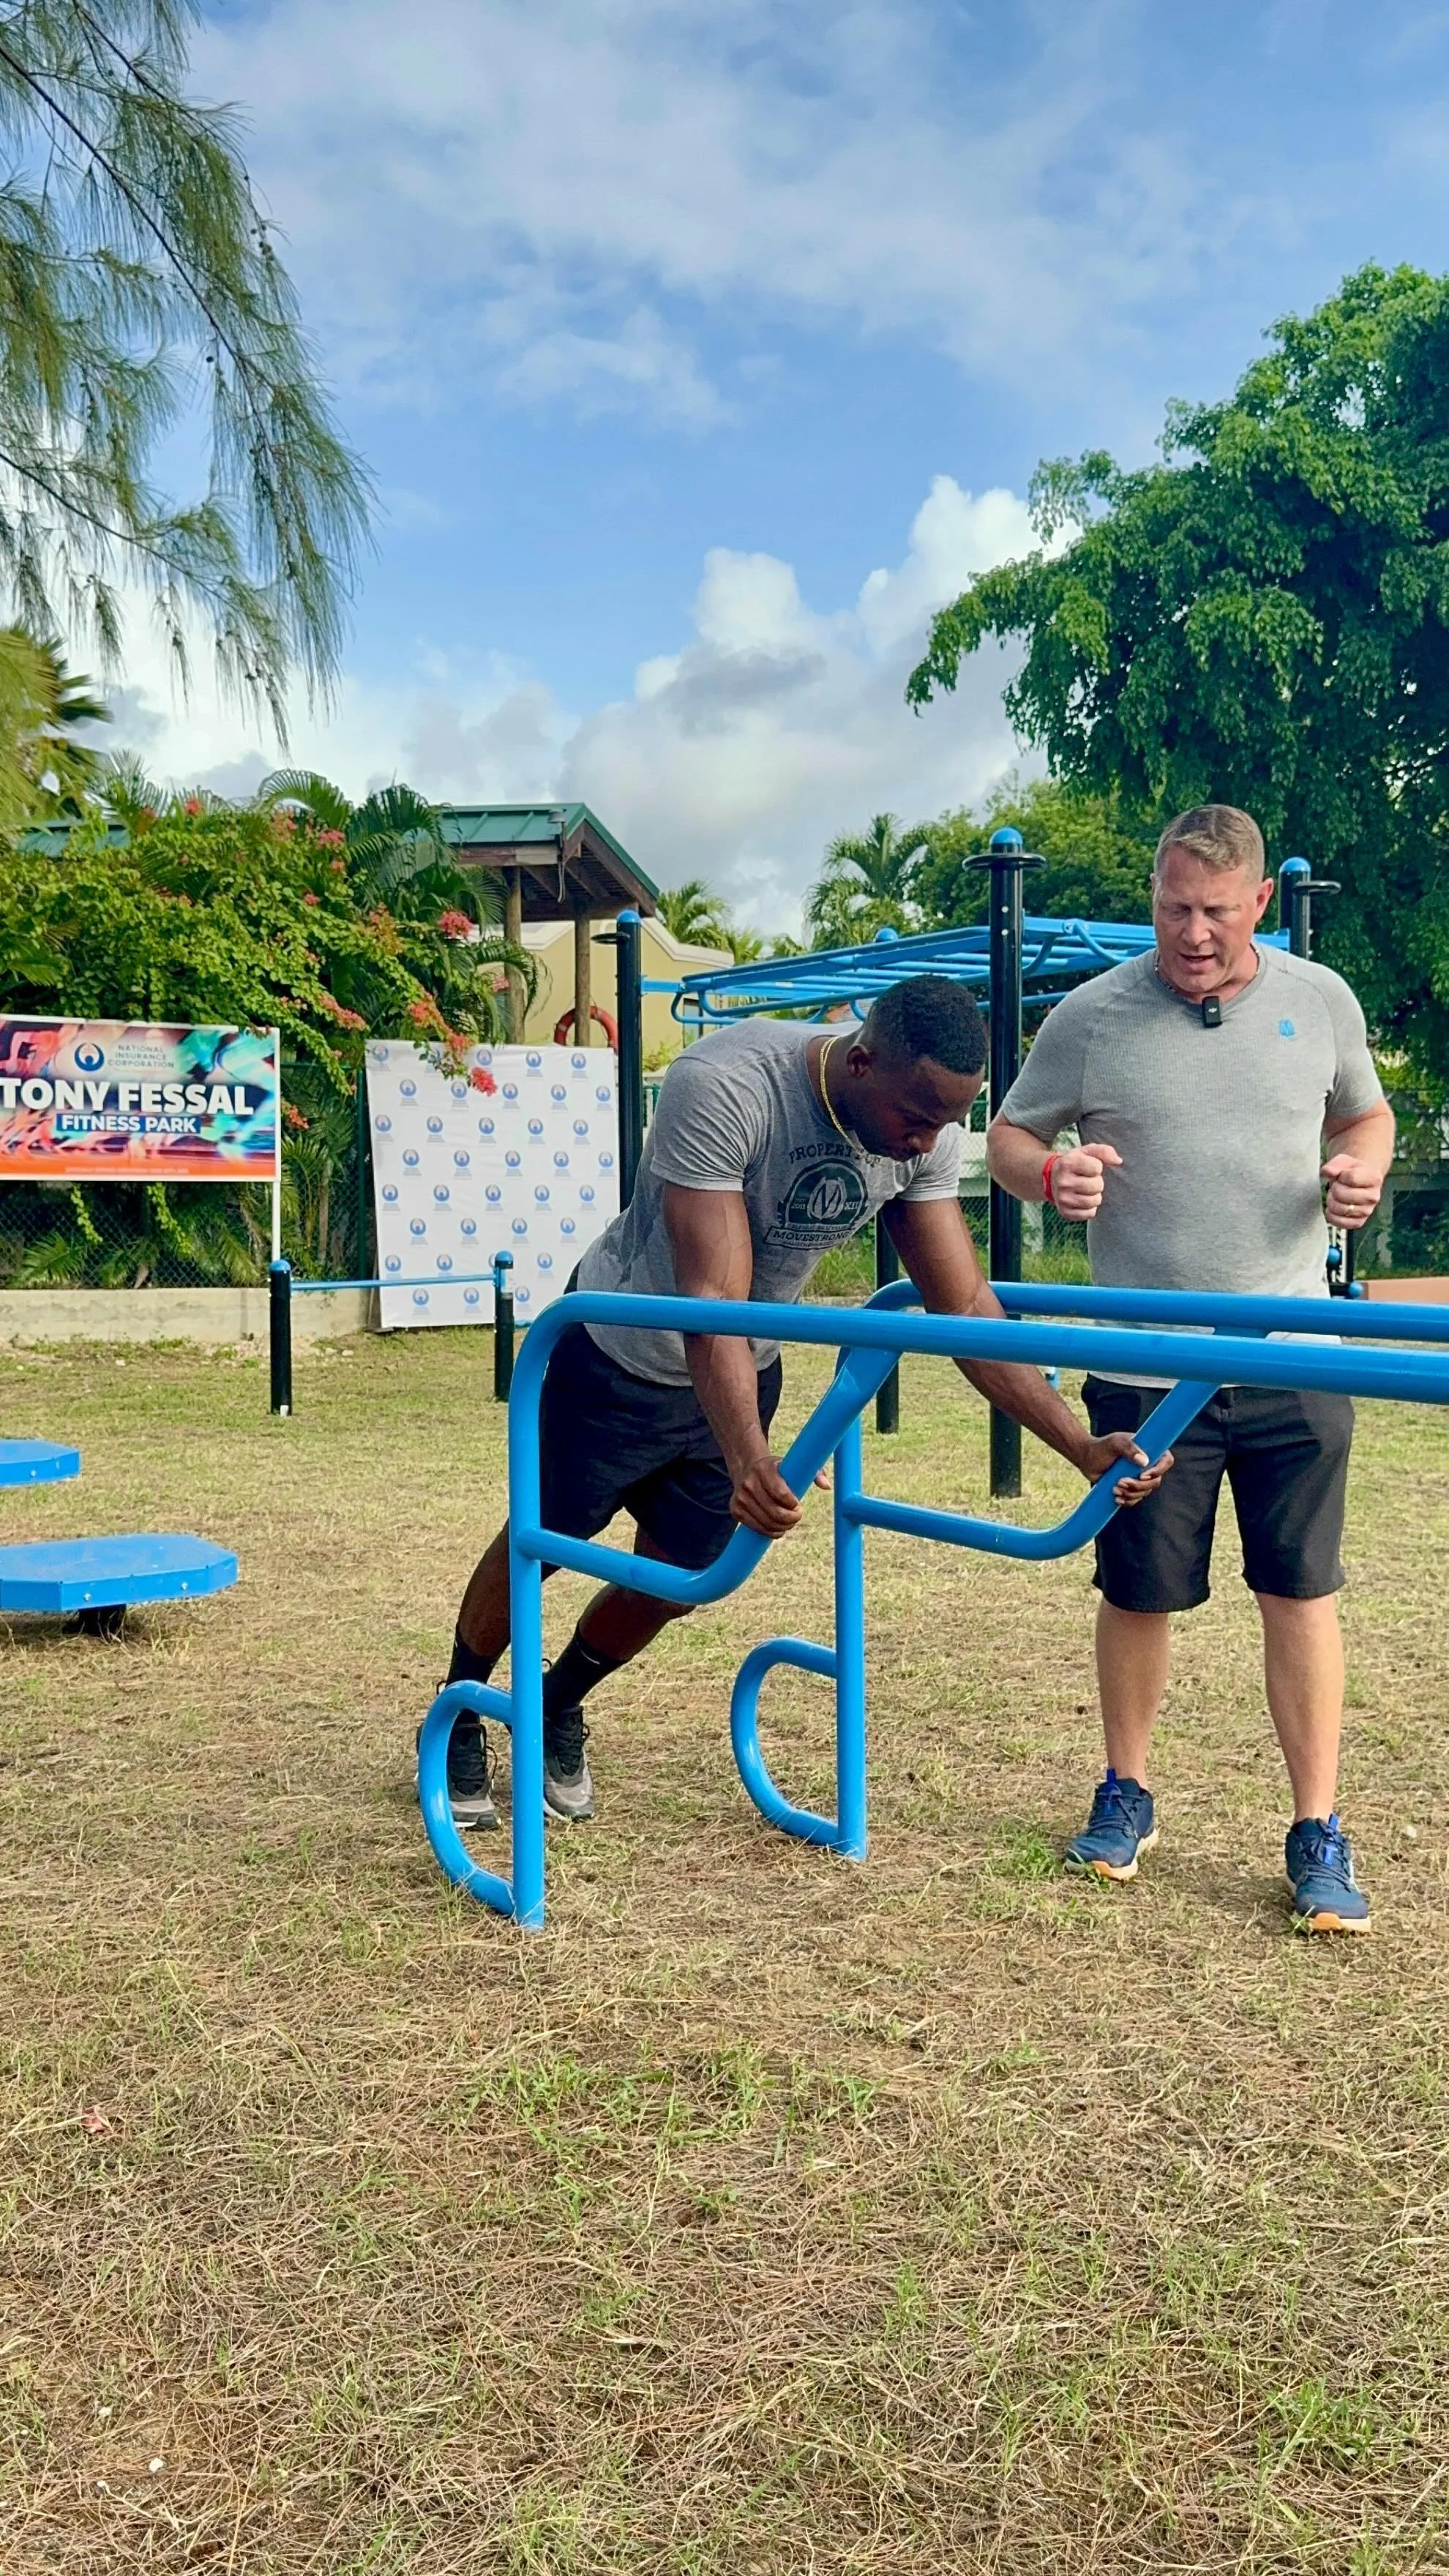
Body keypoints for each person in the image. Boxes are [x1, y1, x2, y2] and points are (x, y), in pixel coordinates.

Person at [439, 974, 1171, 1828]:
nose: (925, 1144)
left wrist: (1076, 1442)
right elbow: (711, 1300)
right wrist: (752, 1457)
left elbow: (967, 1309)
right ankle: (461, 1700)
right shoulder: (724, 1087)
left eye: (945, 1124)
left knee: (686, 1580)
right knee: (544, 1543)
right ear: (861, 1063)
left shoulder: (919, 1136)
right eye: (915, 1119)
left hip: (745, 1366)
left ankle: (558, 1700)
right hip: (616, 1360)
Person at [987, 804, 1395, 1935]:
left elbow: (1368, 1117)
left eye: (1217, 911)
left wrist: (1356, 1171)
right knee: (1137, 1587)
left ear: (1260, 902)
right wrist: (1051, 1173)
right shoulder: (1092, 1014)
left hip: (1293, 1356)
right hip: (1142, 1361)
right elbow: (1013, 1138)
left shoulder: (1320, 1002)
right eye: (1174, 908)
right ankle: (1126, 1790)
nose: (1194, 933)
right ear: (1155, 896)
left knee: (1299, 1590)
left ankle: (1317, 1828)